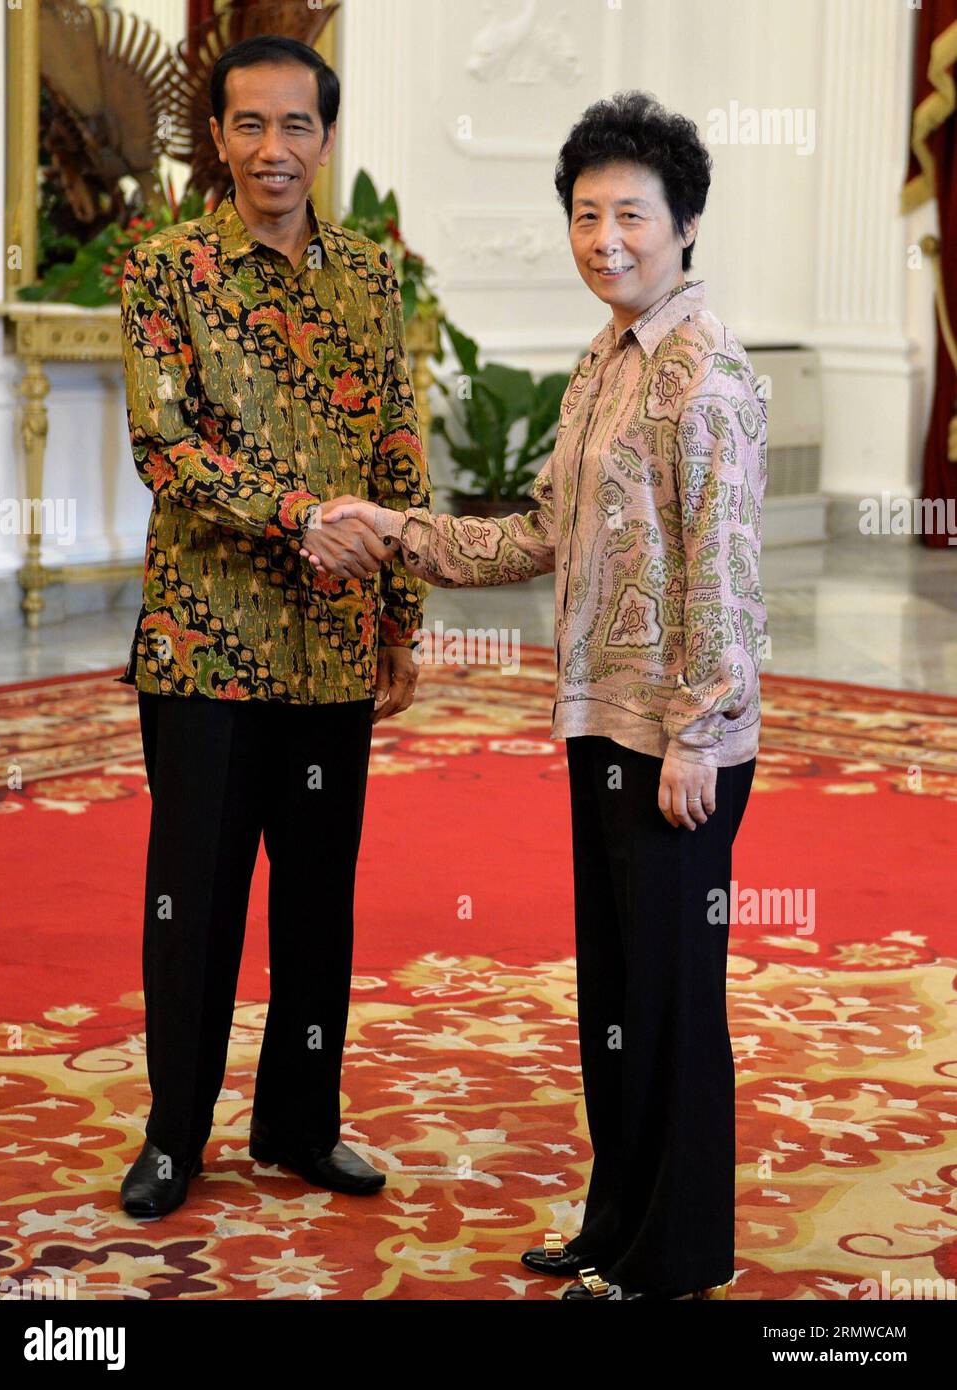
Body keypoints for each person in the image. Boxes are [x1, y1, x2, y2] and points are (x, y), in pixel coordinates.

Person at [319, 91, 767, 1301]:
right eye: (583, 213)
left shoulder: (703, 368)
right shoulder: (603, 363)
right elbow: (536, 537)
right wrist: (397, 532)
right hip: (600, 723)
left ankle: (666, 1260)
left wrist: (696, 735)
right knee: (616, 994)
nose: (603, 237)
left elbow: (722, 567)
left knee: (669, 1002)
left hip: (677, 739)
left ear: (683, 224)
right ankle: (612, 1225)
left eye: (630, 212)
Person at [117, 35, 429, 1218]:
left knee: (316, 897)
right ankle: (171, 1137)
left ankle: (301, 1122)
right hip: (205, 644)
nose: (272, 150)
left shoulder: (368, 275)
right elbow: (166, 445)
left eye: (295, 126)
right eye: (249, 125)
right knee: (192, 901)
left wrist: (400, 613)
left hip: (334, 650)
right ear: (219, 136)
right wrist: (301, 515)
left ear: (324, 137)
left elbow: (397, 439)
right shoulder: (165, 271)